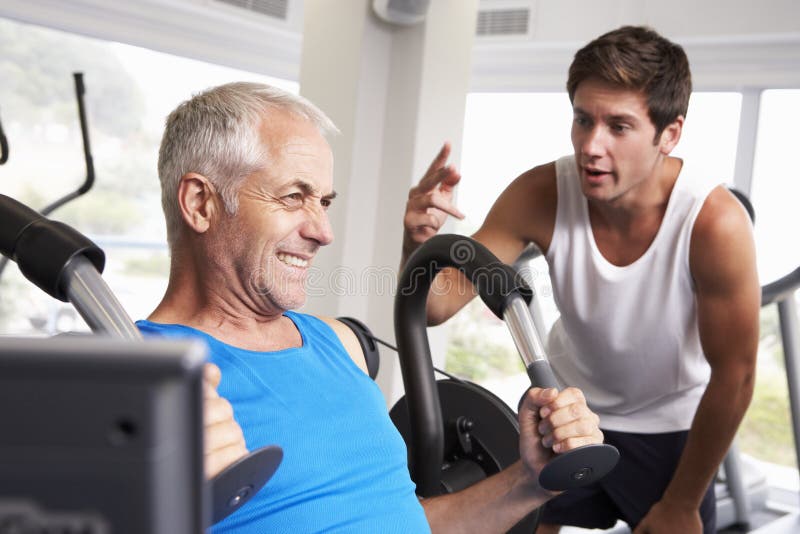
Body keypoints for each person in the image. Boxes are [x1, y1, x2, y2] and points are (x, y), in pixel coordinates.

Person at [137, 81, 604, 533]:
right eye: (294, 196)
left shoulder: (338, 343)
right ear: (201, 203)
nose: (323, 231)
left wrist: (530, 481)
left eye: (323, 202)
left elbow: (401, 521)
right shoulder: (132, 378)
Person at [402, 26, 760, 534]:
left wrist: (682, 502)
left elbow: (736, 374)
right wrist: (418, 244)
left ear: (670, 134)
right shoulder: (541, 192)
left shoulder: (713, 222)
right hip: (570, 410)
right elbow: (437, 306)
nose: (592, 145)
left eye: (619, 126)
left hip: (667, 428)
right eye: (582, 119)